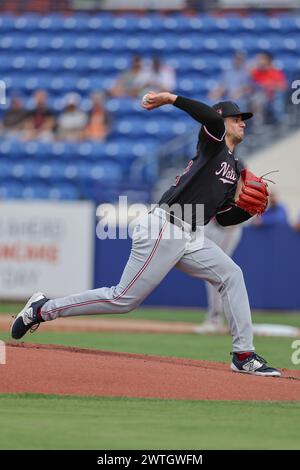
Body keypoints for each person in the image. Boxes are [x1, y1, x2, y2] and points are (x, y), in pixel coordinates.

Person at [11, 92, 281, 377]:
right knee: (123, 299)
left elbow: (224, 219)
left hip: (190, 234)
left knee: (231, 274)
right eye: (237, 119)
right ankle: (42, 309)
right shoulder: (213, 144)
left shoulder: (235, 167)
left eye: (243, 120)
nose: (243, 124)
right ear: (223, 122)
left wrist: (248, 210)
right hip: (164, 227)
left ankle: (243, 355)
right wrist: (170, 98)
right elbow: (211, 118)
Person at [196, 219, 243, 334]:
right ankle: (227, 319)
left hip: (225, 227)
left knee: (215, 272)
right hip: (208, 224)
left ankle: (215, 320)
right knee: (212, 272)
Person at [250, 52, 288, 125]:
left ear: (267, 60)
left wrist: (271, 86)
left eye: (261, 59)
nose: (259, 61)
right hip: (260, 97)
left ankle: (281, 122)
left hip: (273, 96)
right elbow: (250, 85)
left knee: (277, 99)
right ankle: (258, 124)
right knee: (256, 98)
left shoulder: (275, 71)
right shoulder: (257, 72)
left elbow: (283, 86)